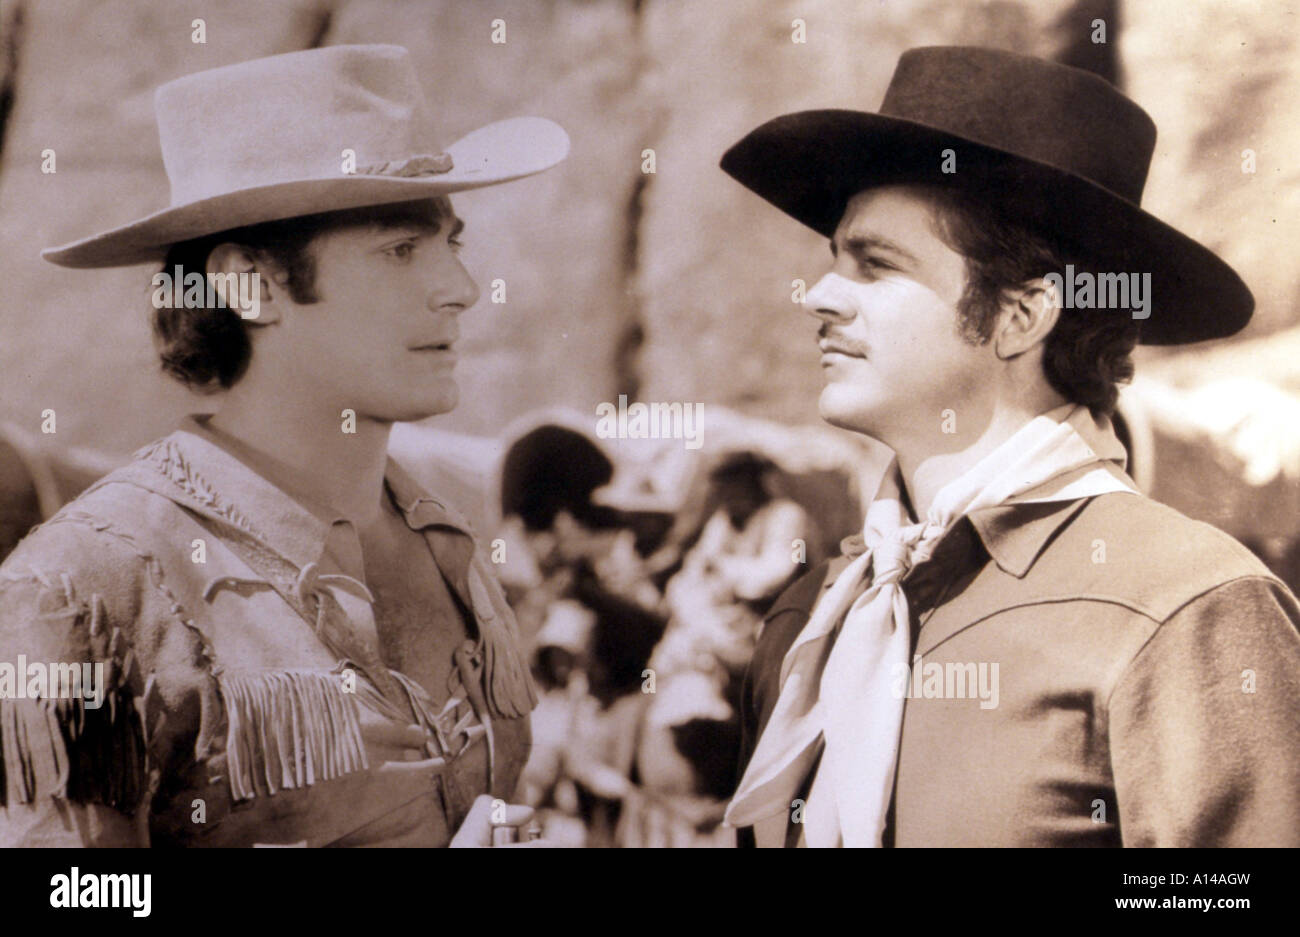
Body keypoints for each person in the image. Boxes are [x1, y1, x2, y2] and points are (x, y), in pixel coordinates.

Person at [721, 46, 1300, 847]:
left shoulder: (1189, 607)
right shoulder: (814, 619)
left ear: (1021, 316)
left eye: (874, 265)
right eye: (834, 260)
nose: (820, 296)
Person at [0, 44, 568, 846]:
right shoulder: (85, 586)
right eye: (401, 250)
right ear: (249, 284)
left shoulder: (444, 540)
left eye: (453, 243)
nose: (461, 290)